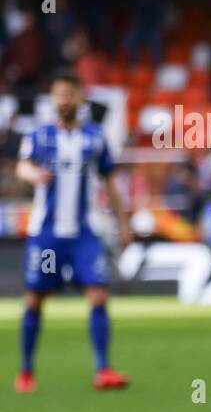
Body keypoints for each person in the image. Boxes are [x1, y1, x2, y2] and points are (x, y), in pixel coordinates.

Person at [14, 68, 131, 393]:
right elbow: (22, 165)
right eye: (59, 94)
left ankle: (103, 369)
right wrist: (32, 174)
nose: (64, 100)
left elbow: (110, 180)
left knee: (97, 293)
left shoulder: (95, 137)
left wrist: (123, 222)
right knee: (36, 298)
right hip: (48, 235)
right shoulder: (39, 136)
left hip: (84, 234)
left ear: (80, 98)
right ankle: (26, 371)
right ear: (53, 98)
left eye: (70, 94)